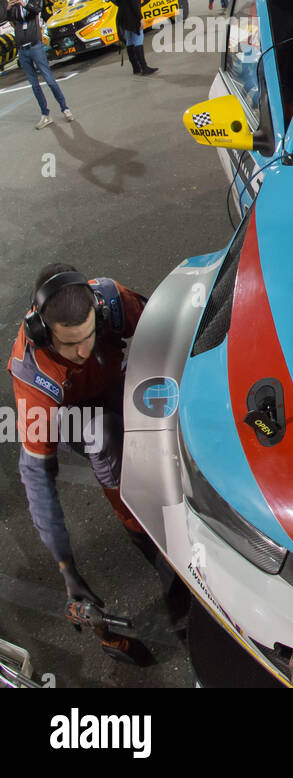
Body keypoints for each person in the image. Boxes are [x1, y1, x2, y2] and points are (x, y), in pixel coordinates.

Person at [9, 264, 182, 660]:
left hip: (116, 382)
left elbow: (172, 333)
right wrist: (67, 570)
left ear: (97, 312)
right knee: (103, 437)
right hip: (77, 417)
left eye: (88, 336)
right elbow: (38, 484)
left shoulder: (112, 299)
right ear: (42, 331)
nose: (83, 350)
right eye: (70, 345)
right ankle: (148, 541)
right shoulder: (34, 378)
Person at [8, 0, 73, 128]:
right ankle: (45, 114)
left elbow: (37, 10)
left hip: (36, 47)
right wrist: (9, 9)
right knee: (34, 85)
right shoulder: (14, 1)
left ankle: (65, 108)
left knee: (49, 80)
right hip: (22, 51)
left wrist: (23, 3)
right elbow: (10, 20)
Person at [114, 0, 157, 76]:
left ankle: (136, 67)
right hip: (132, 15)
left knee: (130, 41)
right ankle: (144, 67)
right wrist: (140, 18)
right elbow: (134, 1)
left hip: (124, 16)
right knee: (138, 39)